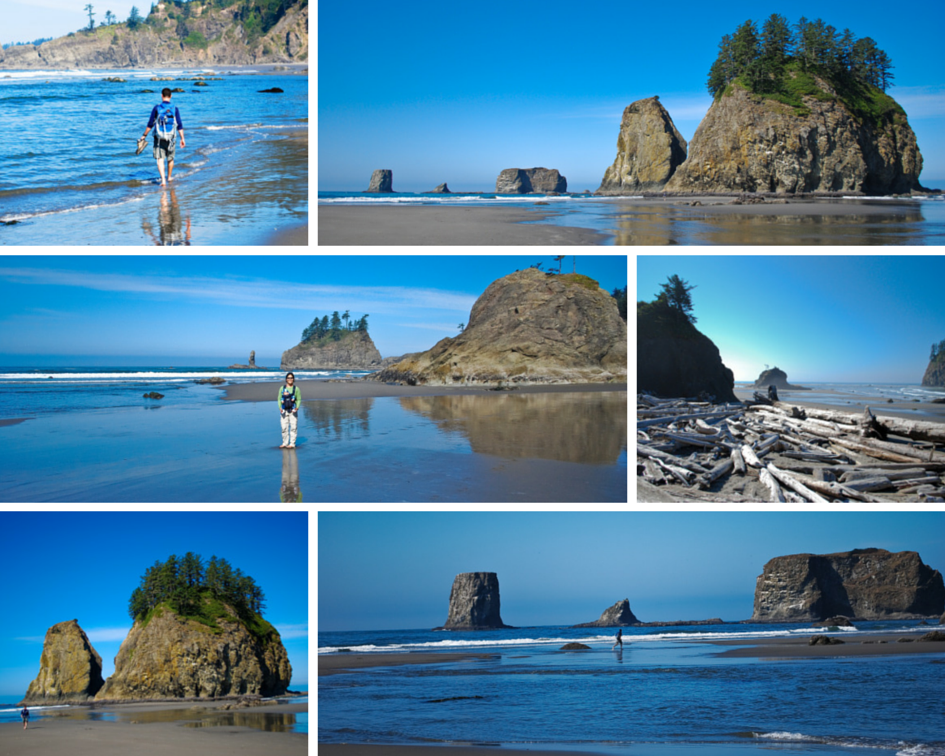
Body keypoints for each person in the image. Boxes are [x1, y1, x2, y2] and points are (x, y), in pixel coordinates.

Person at [142, 88, 186, 187]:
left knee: (160, 159)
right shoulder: (175, 108)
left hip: (159, 137)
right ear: (171, 96)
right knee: (170, 158)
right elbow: (179, 124)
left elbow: (150, 124)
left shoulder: (156, 108)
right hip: (171, 137)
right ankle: (169, 177)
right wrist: (182, 138)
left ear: (162, 96)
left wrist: (144, 135)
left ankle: (163, 181)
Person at [279, 372, 301, 449]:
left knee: (293, 427)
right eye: (288, 378)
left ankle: (292, 444)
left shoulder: (296, 389)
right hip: (284, 411)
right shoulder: (282, 388)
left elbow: (298, 399)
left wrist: (297, 408)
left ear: (293, 379)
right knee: (284, 427)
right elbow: (279, 399)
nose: (290, 379)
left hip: (293, 411)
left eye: (291, 378)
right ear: (286, 379)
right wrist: (280, 408)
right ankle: (284, 443)